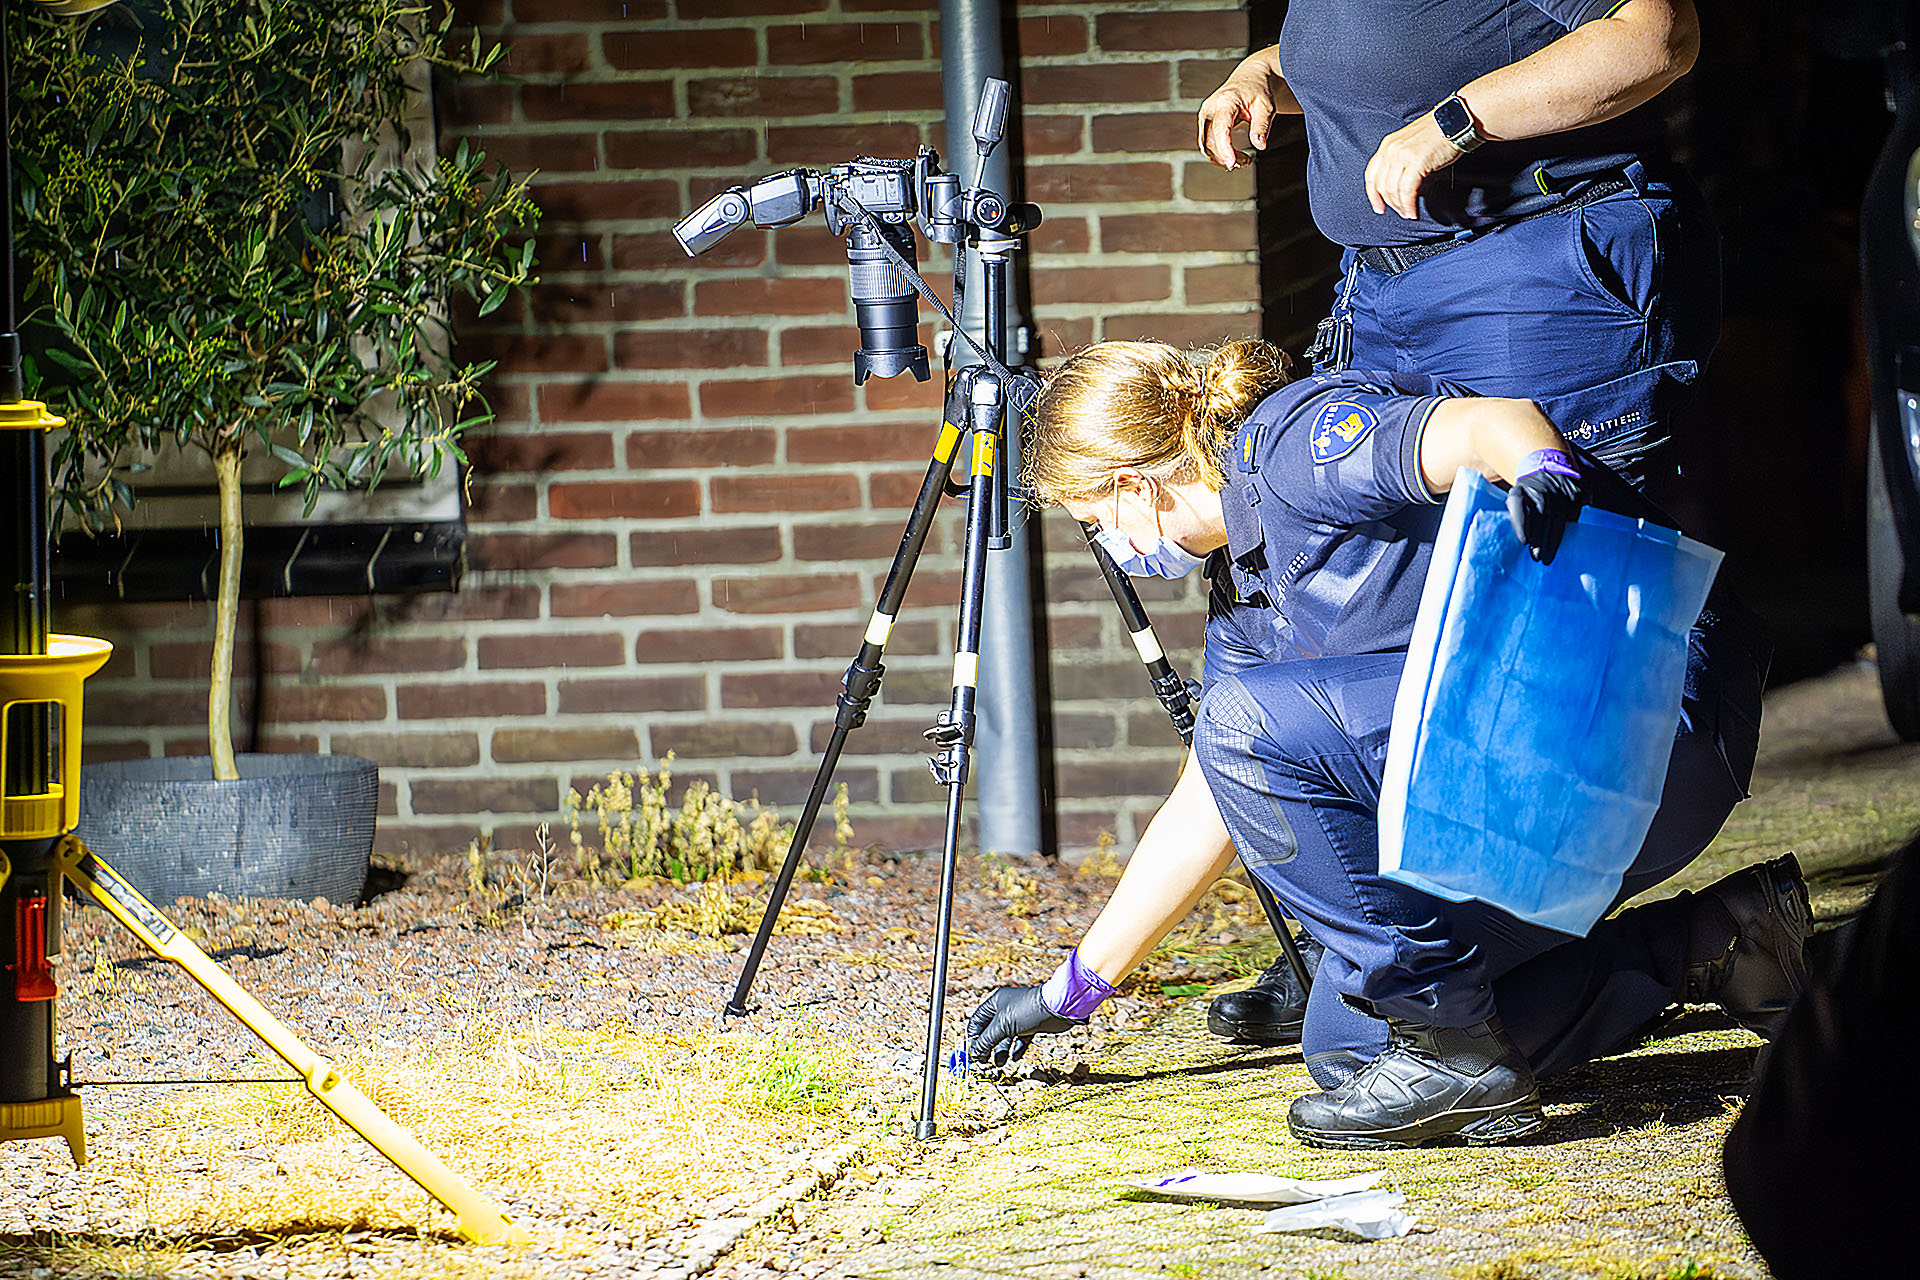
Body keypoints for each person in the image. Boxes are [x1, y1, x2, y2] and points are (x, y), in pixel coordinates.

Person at [963, 339, 1807, 1148]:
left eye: (1094, 520)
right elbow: (1208, 804)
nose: (1112, 549)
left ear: (1134, 483)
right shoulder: (1247, 589)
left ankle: (1455, 1046)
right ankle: (1719, 943)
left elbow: (1488, 423)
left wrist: (1544, 472)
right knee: (1350, 1046)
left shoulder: (1297, 449)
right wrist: (1070, 989)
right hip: (1534, 770)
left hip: (1641, 710)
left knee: (1245, 726)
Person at [1192, 0, 1721, 1039]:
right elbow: (1418, 34)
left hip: (1540, 268)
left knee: (1536, 629)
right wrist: (1273, 72)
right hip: (1389, 289)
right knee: (1381, 601)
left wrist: (1456, 121)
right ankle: (1375, 926)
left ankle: (1488, 971)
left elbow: (1658, 33)